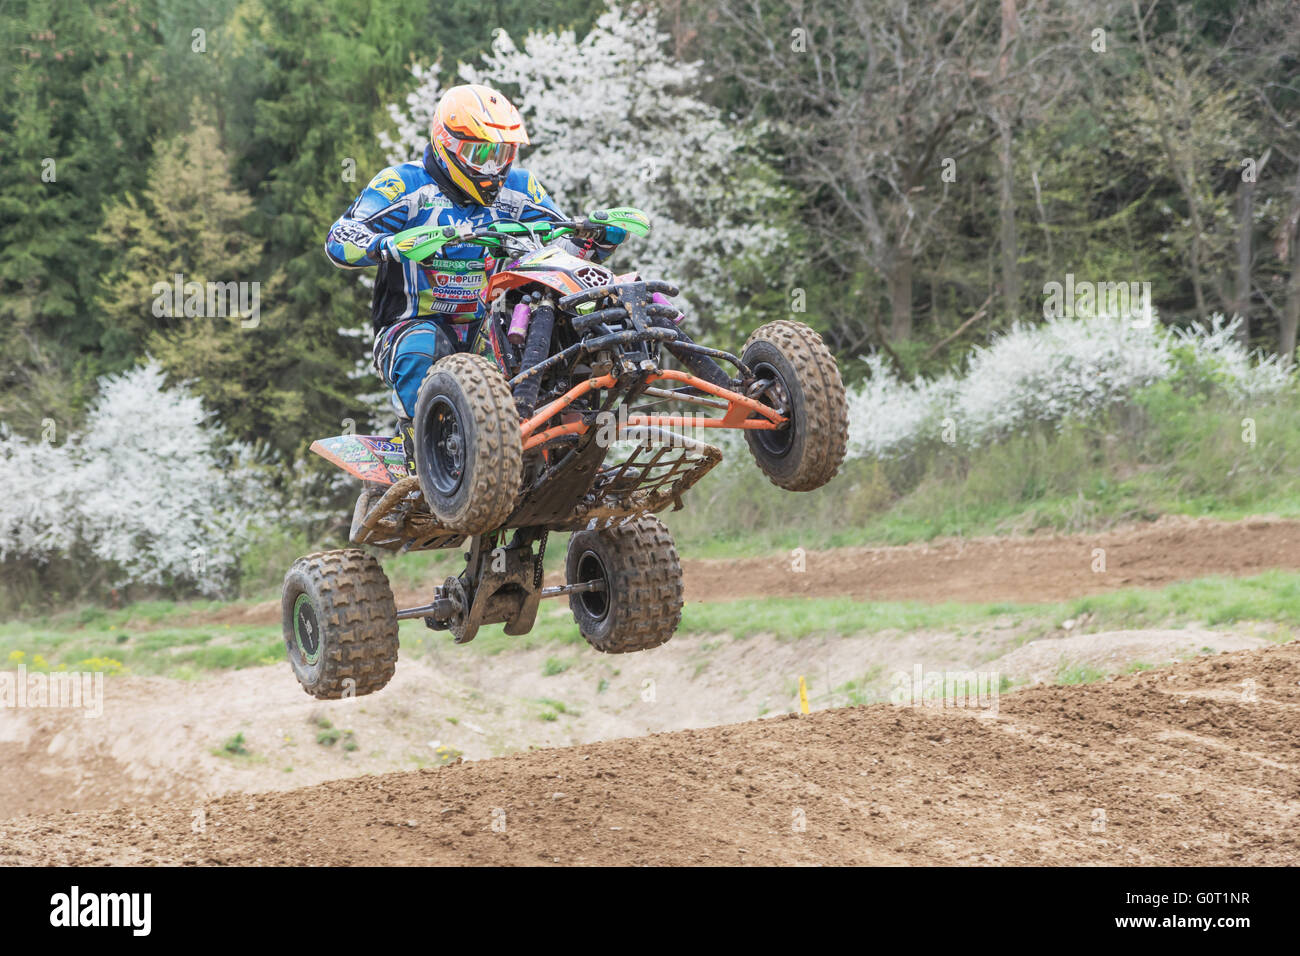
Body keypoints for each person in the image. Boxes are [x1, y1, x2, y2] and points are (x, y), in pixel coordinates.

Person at [324, 83, 625, 423]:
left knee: (561, 330)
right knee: (422, 348)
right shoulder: (402, 184)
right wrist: (386, 245)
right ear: (447, 144)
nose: (493, 169)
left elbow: (555, 252)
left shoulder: (521, 188)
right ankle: (421, 451)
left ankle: (568, 437)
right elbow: (339, 236)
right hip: (410, 325)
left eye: (503, 155)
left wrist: (595, 242)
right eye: (482, 155)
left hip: (491, 326)